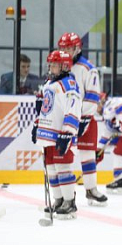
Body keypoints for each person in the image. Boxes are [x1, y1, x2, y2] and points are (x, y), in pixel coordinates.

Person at [57, 32, 107, 206]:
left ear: (77, 48)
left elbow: (92, 96)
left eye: (69, 48)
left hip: (84, 118)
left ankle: (91, 189)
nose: (65, 51)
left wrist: (82, 117)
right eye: (63, 48)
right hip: (63, 119)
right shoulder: (59, 66)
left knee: (87, 155)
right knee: (63, 157)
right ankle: (64, 195)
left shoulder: (88, 68)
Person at [31, 50, 81, 219]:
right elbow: (46, 110)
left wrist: (67, 132)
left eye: (54, 65)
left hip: (60, 134)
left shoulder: (69, 85)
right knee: (51, 169)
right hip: (47, 134)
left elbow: (73, 109)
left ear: (65, 66)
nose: (51, 67)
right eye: (50, 64)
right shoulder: (48, 83)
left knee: (63, 168)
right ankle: (58, 200)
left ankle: (69, 202)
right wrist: (37, 125)